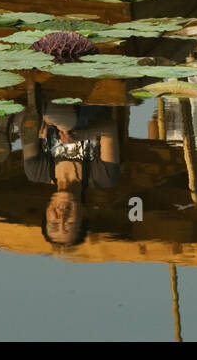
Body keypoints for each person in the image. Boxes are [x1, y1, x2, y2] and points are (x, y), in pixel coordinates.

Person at [19, 96, 121, 249]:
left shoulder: (36, 172)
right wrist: (81, 135)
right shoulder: (104, 176)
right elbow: (110, 129)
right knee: (64, 122)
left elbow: (26, 130)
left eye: (54, 224)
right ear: (85, 215)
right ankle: (43, 107)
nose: (62, 217)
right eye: (70, 224)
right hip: (89, 104)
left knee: (23, 118)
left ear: (46, 214)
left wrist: (35, 129)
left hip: (46, 110)